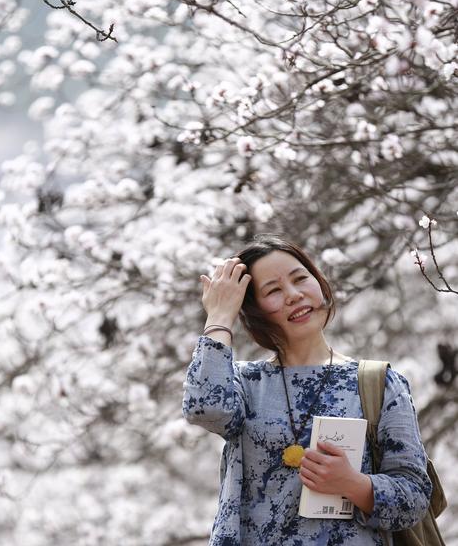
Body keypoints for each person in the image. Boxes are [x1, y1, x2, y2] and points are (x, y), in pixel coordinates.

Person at [182, 234, 432, 546]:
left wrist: (355, 484)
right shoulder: (245, 383)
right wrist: (220, 316)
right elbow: (205, 408)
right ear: (256, 312)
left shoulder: (378, 383)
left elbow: (415, 498)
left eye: (301, 279)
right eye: (273, 290)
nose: (294, 295)